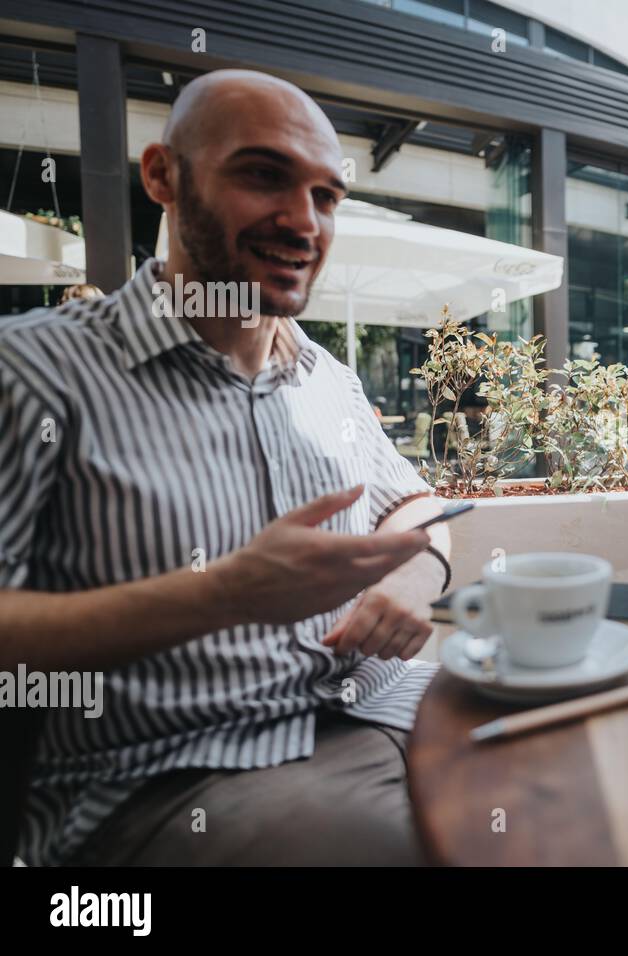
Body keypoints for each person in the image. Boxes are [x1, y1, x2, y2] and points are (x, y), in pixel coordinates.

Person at [0, 70, 451, 866]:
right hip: (172, 778)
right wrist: (223, 595)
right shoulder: (36, 372)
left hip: (393, 707)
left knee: (589, 786)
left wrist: (405, 584)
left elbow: (419, 509)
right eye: (263, 175)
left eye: (326, 195)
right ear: (161, 177)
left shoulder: (328, 377)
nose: (303, 220)